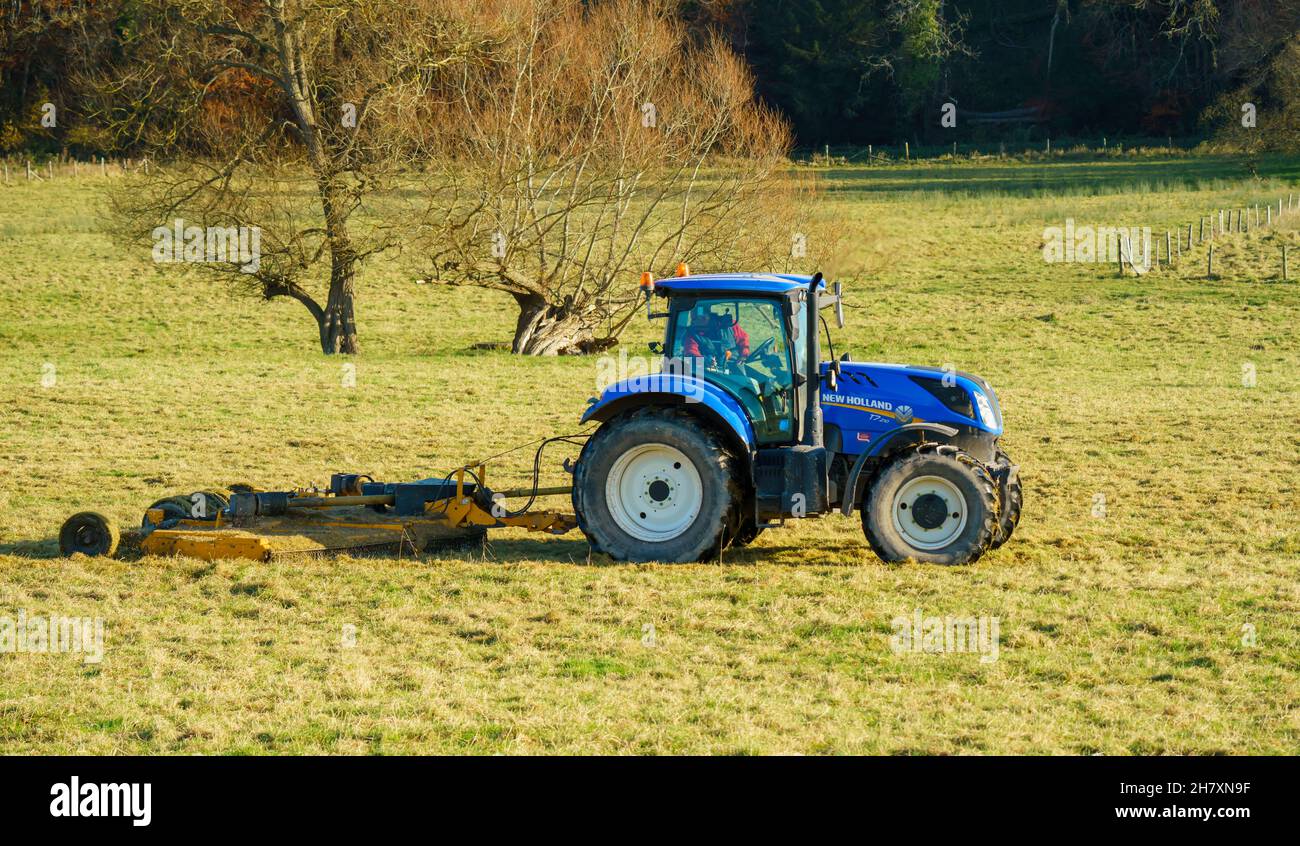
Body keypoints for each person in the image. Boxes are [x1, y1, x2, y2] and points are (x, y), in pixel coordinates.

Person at [681, 305, 750, 365]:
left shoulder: (731, 325)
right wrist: (705, 362)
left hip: (735, 366)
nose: (695, 321)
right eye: (694, 318)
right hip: (710, 375)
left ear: (709, 315)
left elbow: (743, 340)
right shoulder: (691, 334)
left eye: (702, 316)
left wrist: (743, 356)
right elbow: (690, 351)